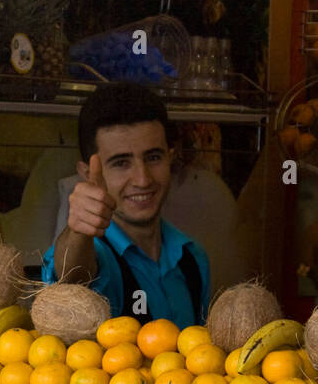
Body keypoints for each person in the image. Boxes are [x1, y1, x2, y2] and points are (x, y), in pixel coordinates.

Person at [41, 83, 211, 326]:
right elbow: (72, 280)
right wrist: (79, 232)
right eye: (121, 163)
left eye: (153, 157)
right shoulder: (95, 252)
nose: (143, 180)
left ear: (170, 158)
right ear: (88, 173)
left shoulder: (194, 259)